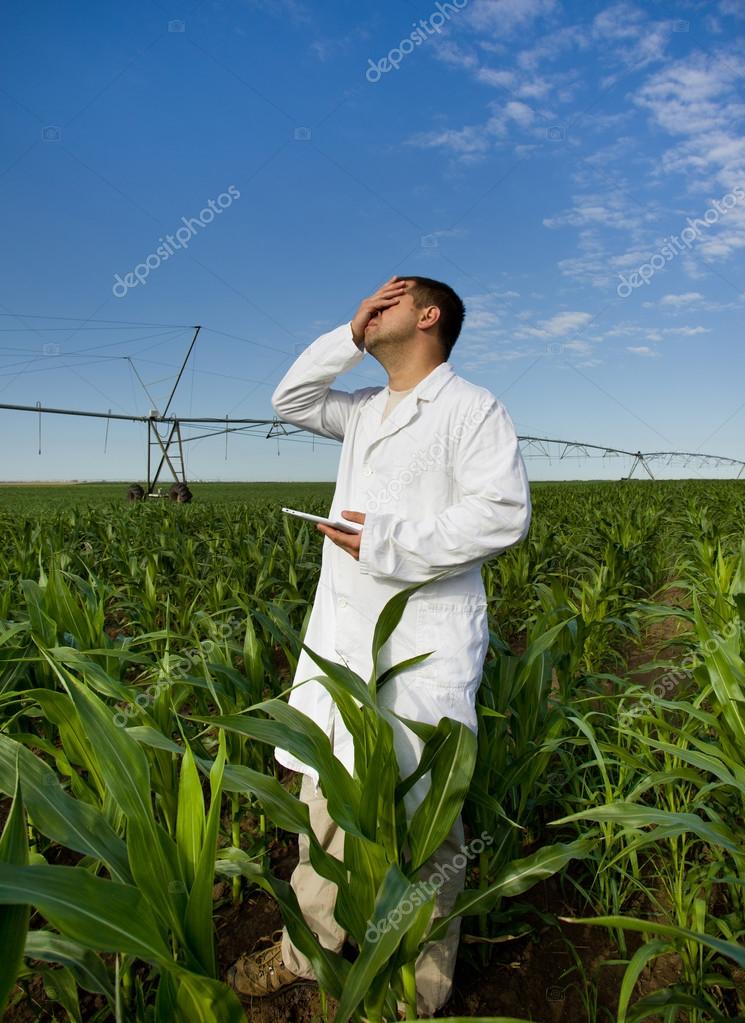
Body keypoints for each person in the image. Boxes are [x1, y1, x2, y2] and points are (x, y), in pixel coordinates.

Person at [226, 275, 531, 1016]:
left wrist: (386, 540)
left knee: (426, 817)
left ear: (429, 315)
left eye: (390, 298)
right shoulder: (364, 411)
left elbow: (504, 515)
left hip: (420, 649)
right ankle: (309, 948)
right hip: (344, 642)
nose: (376, 303)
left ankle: (418, 989)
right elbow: (290, 400)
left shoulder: (471, 408)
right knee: (326, 799)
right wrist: (349, 332)